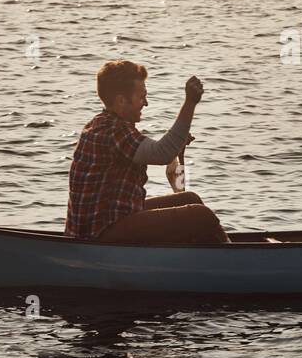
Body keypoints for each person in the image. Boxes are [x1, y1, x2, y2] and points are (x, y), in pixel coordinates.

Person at [65, 59, 228, 244]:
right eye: (141, 97)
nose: (146, 103)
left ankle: (207, 256)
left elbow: (161, 151)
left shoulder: (104, 124)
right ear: (121, 100)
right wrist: (190, 103)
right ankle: (235, 261)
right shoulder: (113, 131)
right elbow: (162, 153)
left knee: (190, 199)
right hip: (99, 232)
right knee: (200, 215)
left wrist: (178, 149)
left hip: (107, 221)